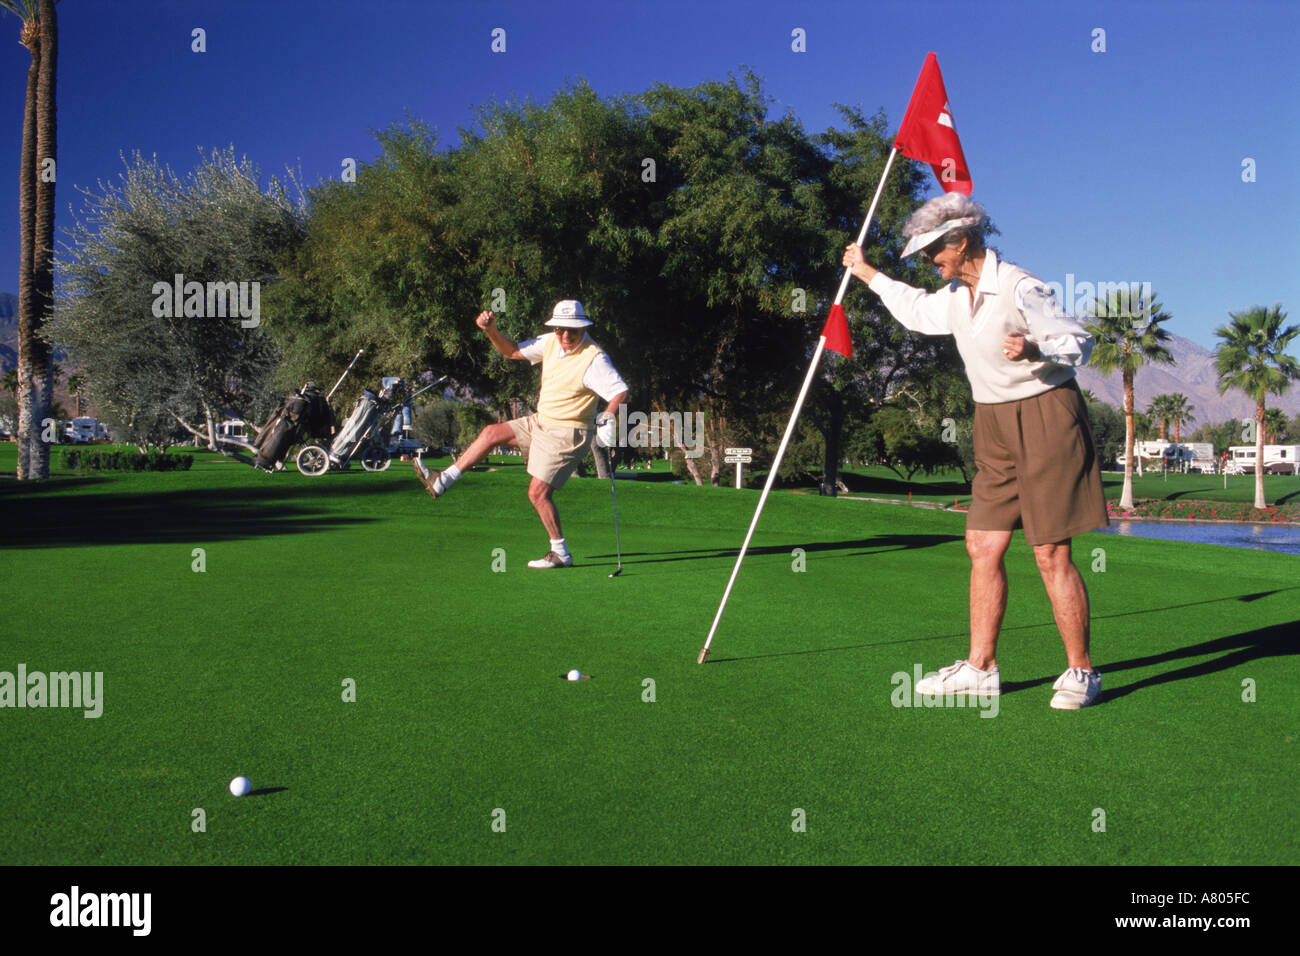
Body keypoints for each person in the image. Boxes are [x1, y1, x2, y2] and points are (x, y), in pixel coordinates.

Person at [842, 191, 1109, 709]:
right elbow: (916, 311)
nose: (928, 260)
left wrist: (1034, 346)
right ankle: (981, 667)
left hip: (1046, 413)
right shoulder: (956, 295)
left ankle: (1082, 672)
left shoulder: (1019, 286)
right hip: (992, 422)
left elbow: (1079, 342)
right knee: (982, 546)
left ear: (961, 242)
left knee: (1050, 551)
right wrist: (867, 273)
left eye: (932, 251)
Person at [413, 299, 628, 569]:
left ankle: (560, 552)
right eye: (560, 329)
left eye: (571, 330)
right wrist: (491, 330)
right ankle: (442, 480)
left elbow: (619, 390)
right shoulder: (551, 342)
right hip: (541, 422)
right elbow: (512, 351)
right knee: (492, 433)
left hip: (568, 433)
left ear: (583, 328)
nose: (564, 335)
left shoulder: (594, 358)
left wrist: (608, 416)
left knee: (537, 493)